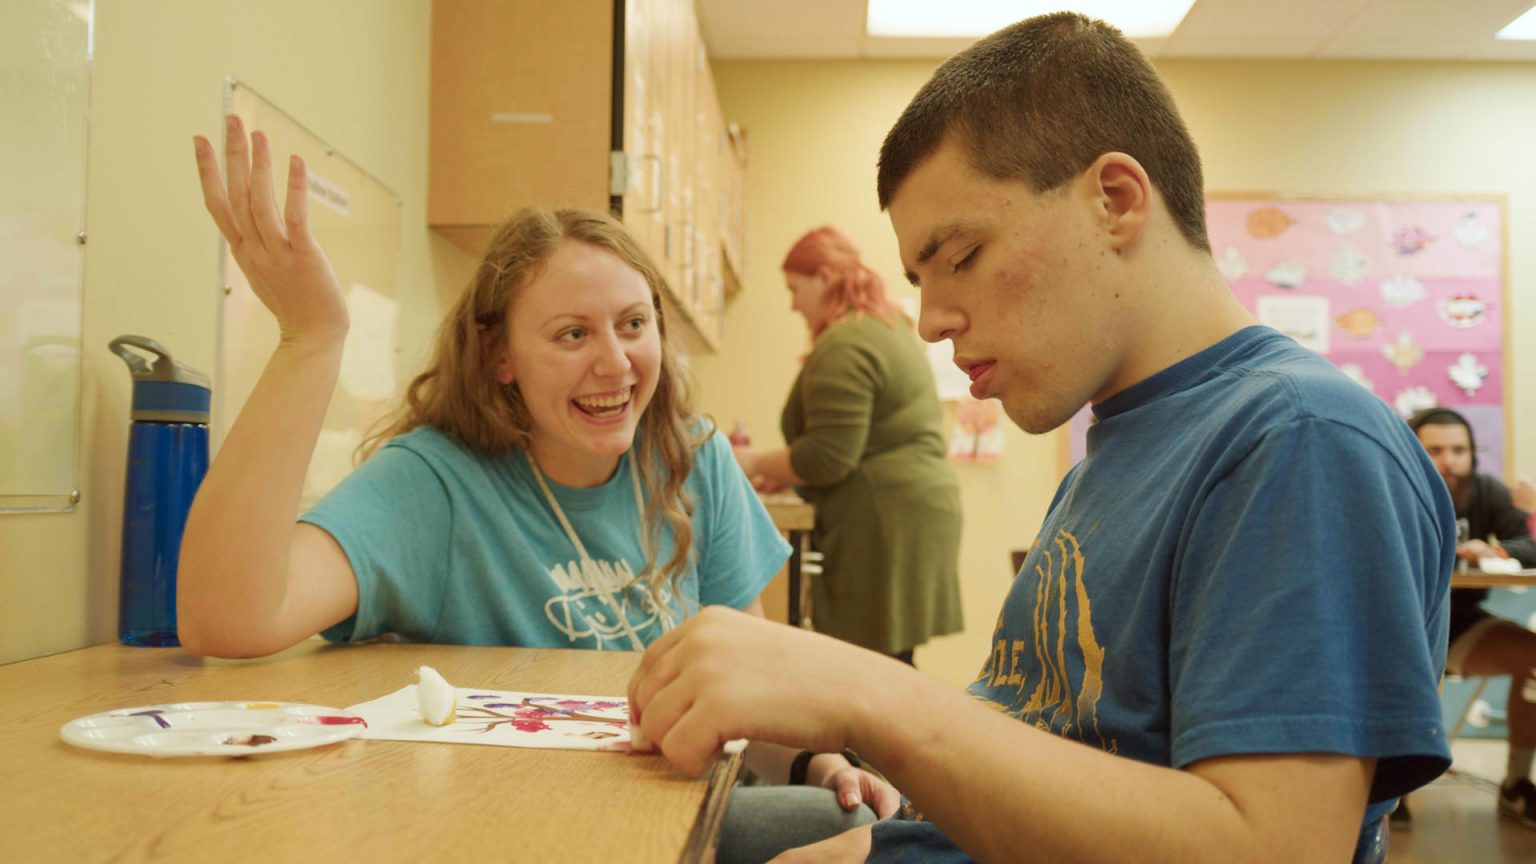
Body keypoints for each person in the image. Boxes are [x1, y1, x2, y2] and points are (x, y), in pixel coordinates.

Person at [627, 12, 1453, 864]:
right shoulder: (1121, 447)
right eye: (919, 279)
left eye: (961, 256)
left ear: (1115, 201)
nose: (931, 321)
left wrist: (868, 692)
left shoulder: (1300, 440)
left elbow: (1275, 847)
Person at [179, 117, 897, 852]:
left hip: (680, 804)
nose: (615, 363)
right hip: (518, 820)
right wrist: (310, 338)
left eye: (633, 324)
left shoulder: (695, 458)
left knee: (862, 825)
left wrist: (816, 763)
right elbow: (227, 618)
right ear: (500, 357)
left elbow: (744, 692)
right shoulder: (437, 483)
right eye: (572, 334)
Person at [731, 226, 963, 664]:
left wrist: (750, 461)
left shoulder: (846, 342)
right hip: (910, 511)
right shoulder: (884, 326)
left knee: (871, 668)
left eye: (794, 289)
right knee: (890, 661)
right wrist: (781, 473)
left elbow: (827, 458)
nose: (793, 304)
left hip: (884, 517)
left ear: (823, 277)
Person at [1408, 407, 1536, 827]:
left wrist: (1495, 551)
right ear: (1412, 451)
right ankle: (1388, 786)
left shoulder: (1486, 492)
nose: (1449, 461)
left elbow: (1529, 545)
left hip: (1461, 624)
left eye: (1459, 450)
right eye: (1435, 450)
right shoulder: (1394, 489)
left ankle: (1516, 784)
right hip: (1396, 627)